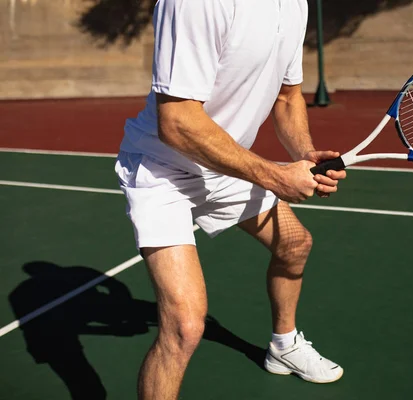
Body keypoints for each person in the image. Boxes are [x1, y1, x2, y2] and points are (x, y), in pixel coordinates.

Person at [114, 0, 347, 398]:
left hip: (228, 161)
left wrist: (303, 154)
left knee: (294, 244)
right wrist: (274, 175)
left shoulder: (294, 5)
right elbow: (178, 121)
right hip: (163, 170)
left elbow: (288, 98)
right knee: (185, 326)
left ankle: (284, 347)